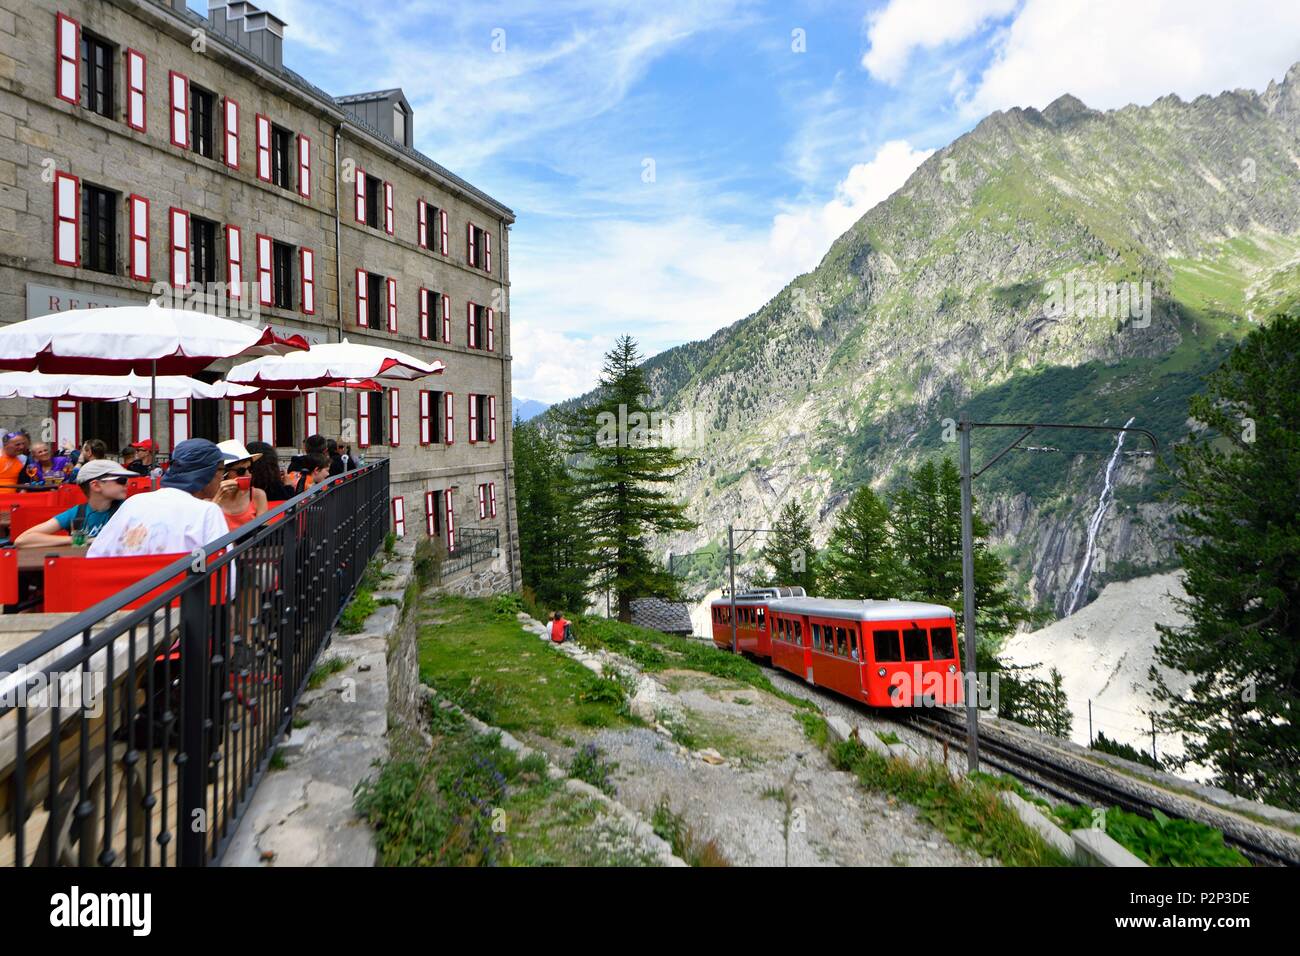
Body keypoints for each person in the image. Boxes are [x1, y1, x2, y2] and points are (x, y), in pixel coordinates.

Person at [88, 438, 234, 557]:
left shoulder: (134, 502)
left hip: (128, 591)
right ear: (209, 473)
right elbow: (226, 575)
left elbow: (96, 554)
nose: (223, 476)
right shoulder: (207, 511)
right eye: (222, 470)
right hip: (180, 591)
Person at [14, 459, 135, 548]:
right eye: (121, 480)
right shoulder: (77, 512)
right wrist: (80, 540)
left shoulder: (130, 508)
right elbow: (22, 540)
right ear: (96, 485)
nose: (127, 484)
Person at [213, 439, 269, 530]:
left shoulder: (257, 495)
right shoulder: (209, 497)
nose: (248, 474)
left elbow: (263, 533)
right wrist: (217, 500)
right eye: (241, 471)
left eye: (250, 469)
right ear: (224, 472)